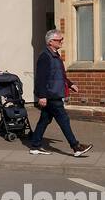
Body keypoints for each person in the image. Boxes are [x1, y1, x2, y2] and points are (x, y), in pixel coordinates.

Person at [27, 29, 93, 158]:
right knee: (64, 120)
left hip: (54, 92)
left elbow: (59, 75)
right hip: (51, 94)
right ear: (51, 42)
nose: (62, 42)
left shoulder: (55, 55)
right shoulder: (45, 56)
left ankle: (35, 146)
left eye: (61, 39)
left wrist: (70, 84)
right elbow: (41, 78)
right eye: (59, 40)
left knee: (44, 120)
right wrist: (42, 96)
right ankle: (76, 147)